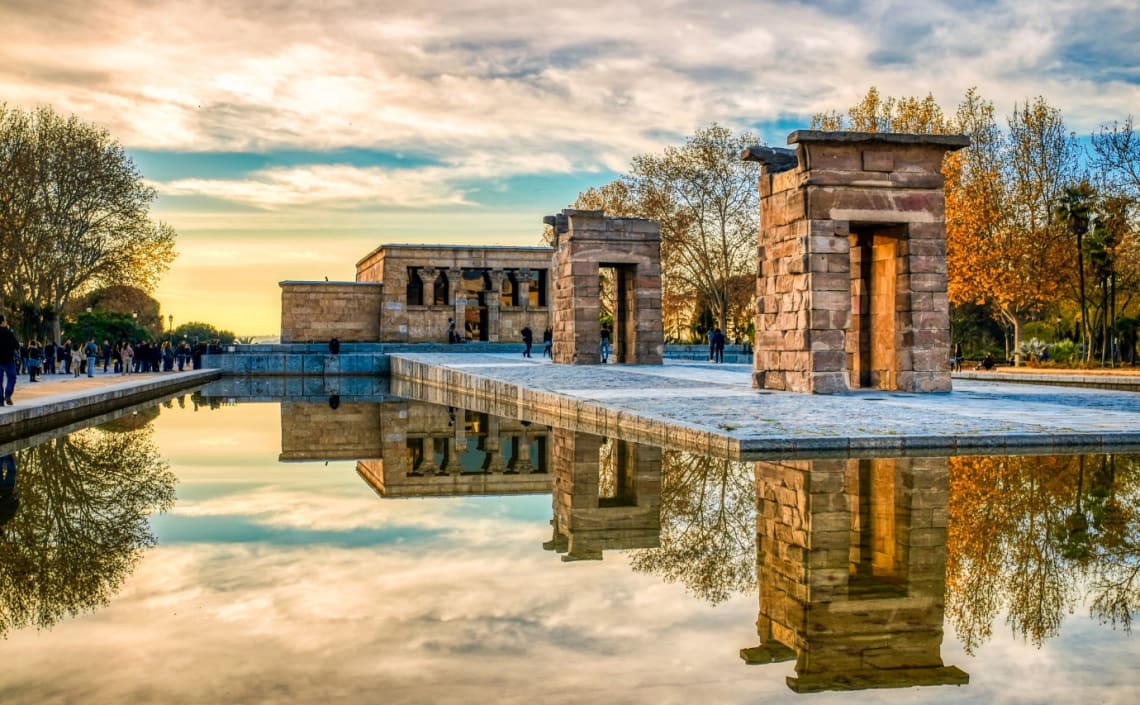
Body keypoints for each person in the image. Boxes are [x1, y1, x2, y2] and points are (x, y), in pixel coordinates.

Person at [0, 315, 19, 406]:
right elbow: (16, 345)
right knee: (12, 377)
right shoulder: (8, 333)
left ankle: (0, 400)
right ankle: (7, 394)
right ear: (3, 322)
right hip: (8, 359)